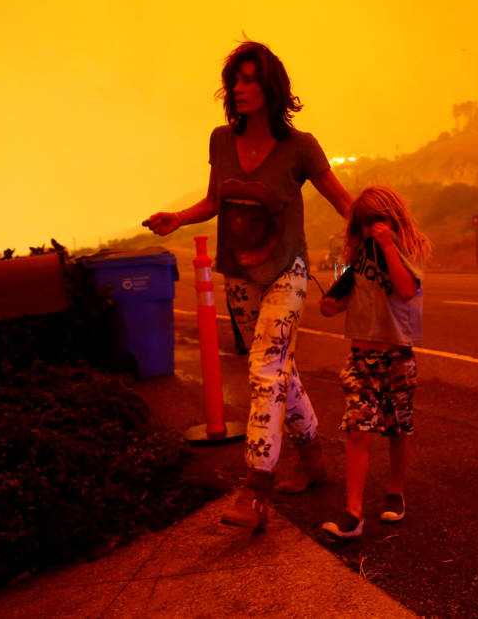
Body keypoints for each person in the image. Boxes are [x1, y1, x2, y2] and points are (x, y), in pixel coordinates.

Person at [142, 40, 351, 530]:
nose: (239, 88)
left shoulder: (301, 147)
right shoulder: (220, 140)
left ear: (271, 87)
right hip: (238, 276)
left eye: (250, 79)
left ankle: (256, 488)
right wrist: (179, 217)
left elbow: (344, 203)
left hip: (287, 273)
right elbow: (215, 200)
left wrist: (381, 231)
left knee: (264, 368)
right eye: (235, 80)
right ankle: (314, 460)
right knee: (280, 371)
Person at [318, 186, 431, 538]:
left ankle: (395, 491)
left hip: (397, 353)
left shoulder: (409, 250)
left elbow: (406, 289)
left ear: (394, 218)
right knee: (357, 428)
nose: (371, 228)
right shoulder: (358, 260)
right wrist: (333, 305)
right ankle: (353, 512)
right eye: (365, 223)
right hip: (361, 356)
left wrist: (386, 245)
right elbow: (350, 295)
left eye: (378, 220)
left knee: (398, 427)